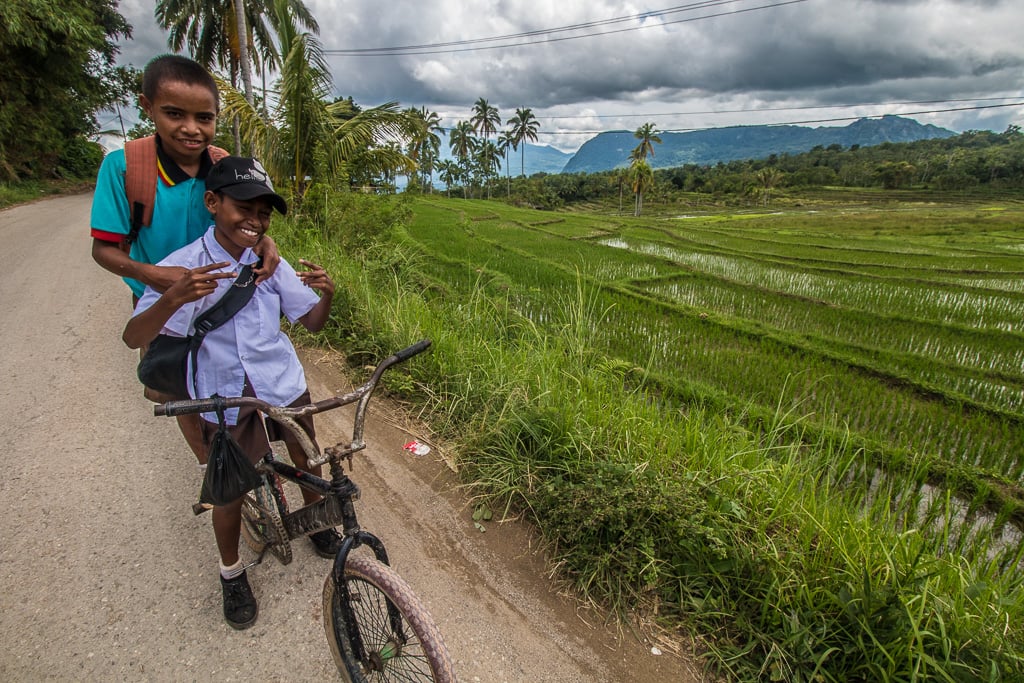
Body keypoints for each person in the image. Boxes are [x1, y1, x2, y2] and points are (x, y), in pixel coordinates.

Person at [123, 156, 341, 629]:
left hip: (281, 381)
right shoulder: (181, 267)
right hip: (223, 393)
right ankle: (231, 571)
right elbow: (134, 337)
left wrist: (326, 293)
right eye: (244, 207)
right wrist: (173, 298)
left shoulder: (269, 262)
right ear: (213, 203)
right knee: (230, 491)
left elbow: (312, 322)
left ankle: (316, 523)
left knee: (307, 459)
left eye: (264, 213)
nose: (255, 220)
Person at [90, 54, 280, 464]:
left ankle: (245, 455)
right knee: (183, 393)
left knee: (242, 379)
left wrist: (266, 243)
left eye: (204, 118)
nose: (191, 129)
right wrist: (157, 277)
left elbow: (244, 219)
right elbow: (103, 250)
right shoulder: (124, 168)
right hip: (164, 305)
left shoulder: (221, 164)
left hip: (225, 297)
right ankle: (212, 465)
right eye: (175, 114)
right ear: (148, 108)